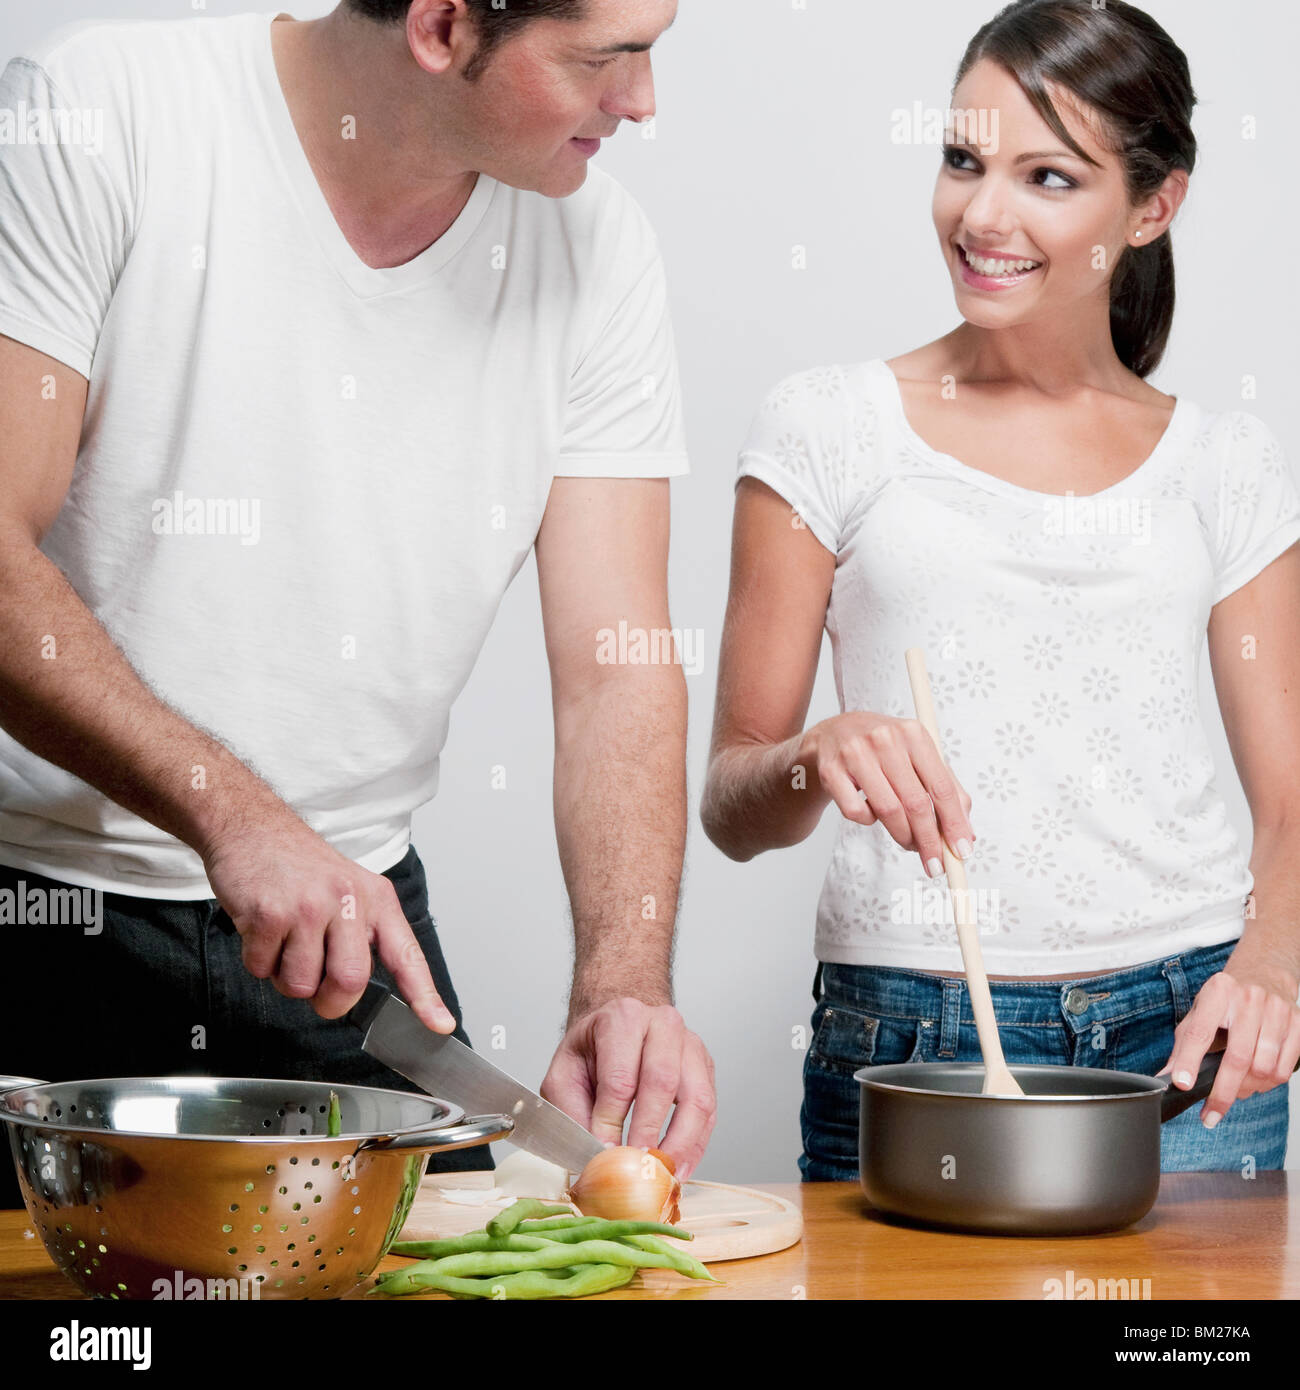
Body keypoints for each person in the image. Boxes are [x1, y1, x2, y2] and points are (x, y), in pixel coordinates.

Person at [0, 0, 715, 1209]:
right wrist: (236, 814)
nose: (643, 101)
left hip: (351, 949)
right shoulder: (106, 109)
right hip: (46, 911)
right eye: (608, 58)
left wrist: (623, 979)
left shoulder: (600, 250)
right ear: (440, 26)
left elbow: (617, 663)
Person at [702, 0, 1300, 1179]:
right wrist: (819, 753)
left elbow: (1289, 803)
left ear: (1152, 205)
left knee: (1179, 1358)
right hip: (908, 1021)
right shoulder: (828, 427)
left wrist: (1269, 965)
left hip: (1182, 1028)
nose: (983, 214)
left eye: (1047, 176)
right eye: (963, 160)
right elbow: (733, 800)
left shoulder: (1225, 463)